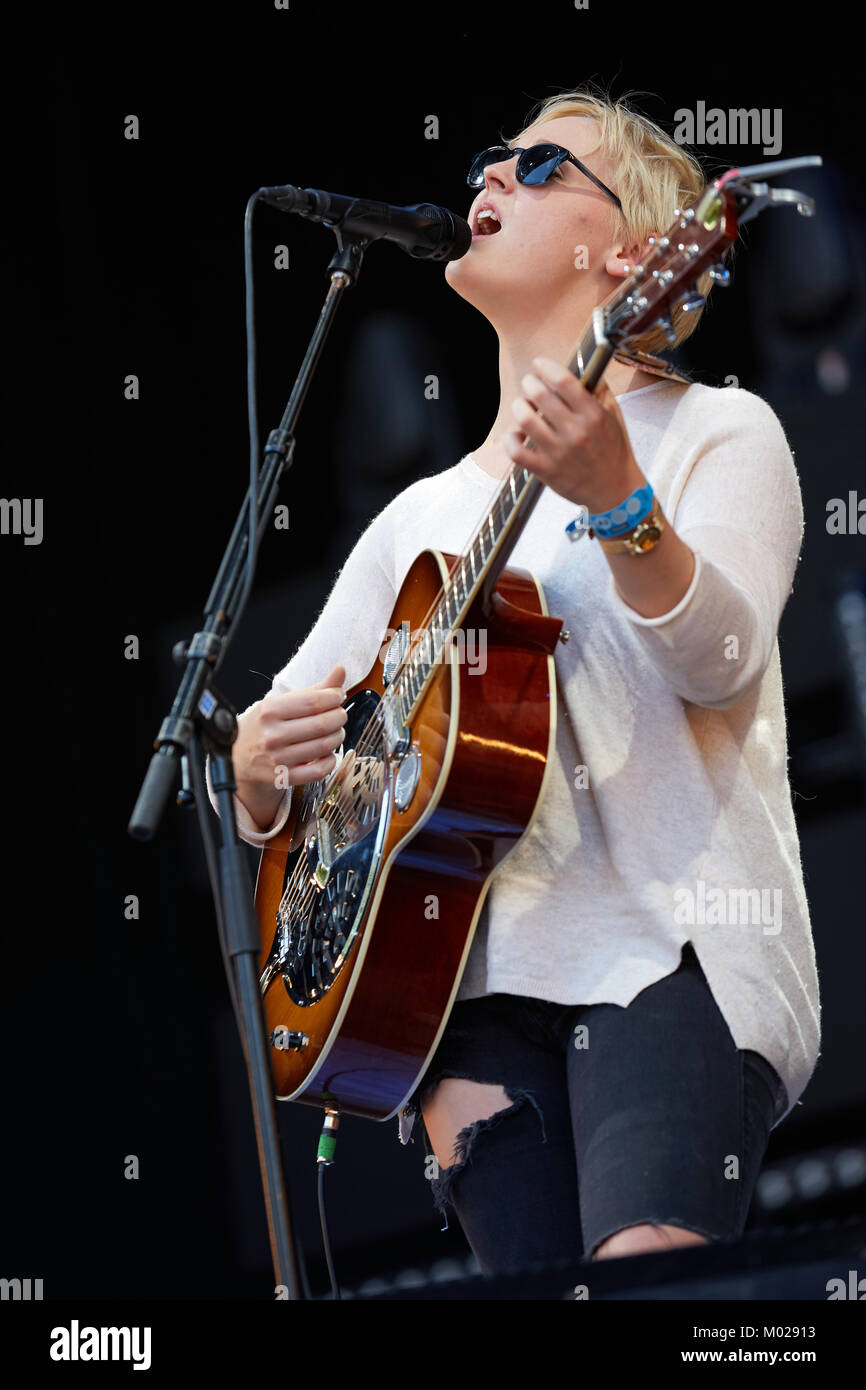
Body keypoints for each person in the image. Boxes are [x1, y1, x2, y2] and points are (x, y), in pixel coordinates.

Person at [212, 88, 821, 1276]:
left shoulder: (715, 435)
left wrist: (619, 503)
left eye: (539, 166)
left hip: (671, 954)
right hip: (463, 991)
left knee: (650, 1278)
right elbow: (293, 775)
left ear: (634, 254)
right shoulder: (419, 523)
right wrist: (252, 774)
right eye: (491, 158)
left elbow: (724, 659)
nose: (488, 176)